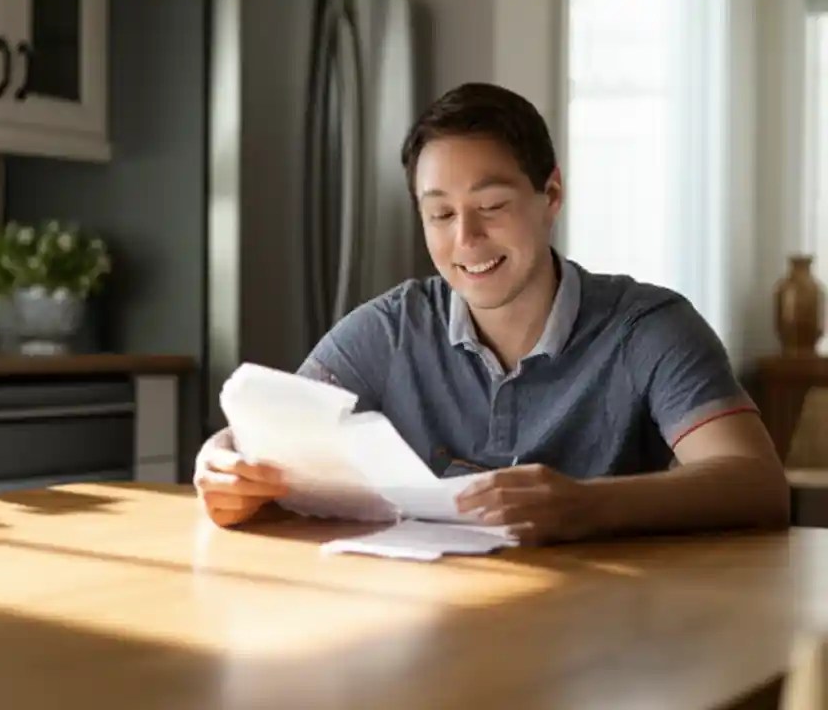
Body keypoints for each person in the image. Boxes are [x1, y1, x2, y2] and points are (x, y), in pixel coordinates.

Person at [194, 82, 789, 544]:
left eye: (491, 205)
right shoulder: (389, 329)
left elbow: (757, 484)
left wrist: (586, 505)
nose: (467, 239)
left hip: (607, 640)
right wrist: (220, 461)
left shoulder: (649, 327)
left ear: (550, 195)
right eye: (441, 215)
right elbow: (272, 433)